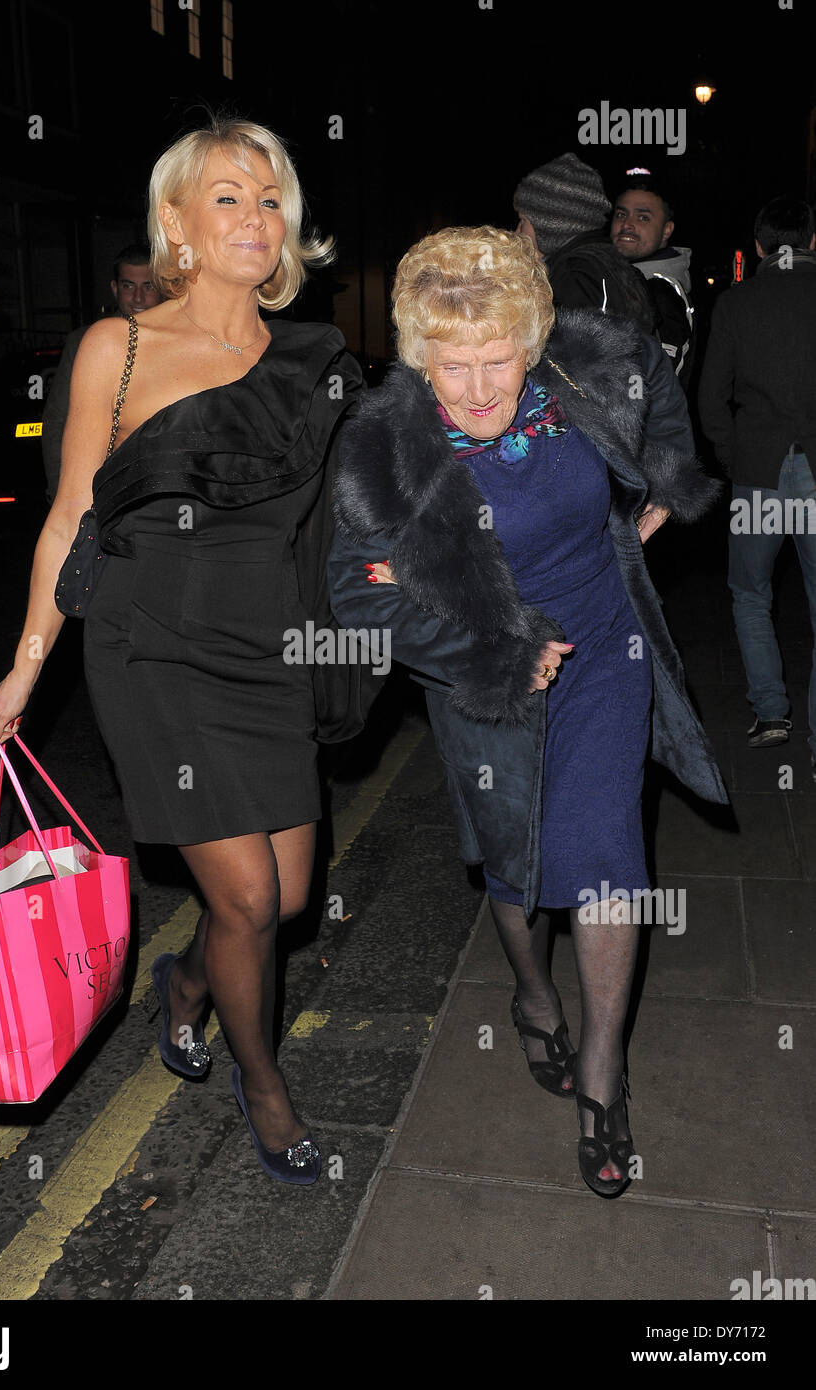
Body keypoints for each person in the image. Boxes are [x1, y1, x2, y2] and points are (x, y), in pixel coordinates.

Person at [0, 117, 368, 1185]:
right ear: (179, 226)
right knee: (245, 898)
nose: (254, 216)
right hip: (153, 649)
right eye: (228, 197)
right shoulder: (123, 345)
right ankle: (266, 1084)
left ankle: (187, 982)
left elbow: (355, 517)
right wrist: (26, 664)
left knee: (283, 899)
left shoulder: (312, 360)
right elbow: (68, 522)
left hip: (269, 646)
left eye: (270, 197)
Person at [328, 227, 727, 1197]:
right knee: (514, 852)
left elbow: (660, 390)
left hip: (603, 641)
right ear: (418, 357)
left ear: (533, 338)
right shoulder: (384, 444)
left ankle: (601, 1068)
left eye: (494, 361)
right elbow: (359, 595)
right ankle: (532, 988)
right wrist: (489, 646)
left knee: (602, 852)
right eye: (447, 366)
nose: (471, 388)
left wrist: (660, 499)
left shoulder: (591, 362)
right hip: (483, 667)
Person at [699, 196, 816, 767]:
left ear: (761, 247)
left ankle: (771, 712)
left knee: (750, 595)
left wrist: (733, 454)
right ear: (814, 241)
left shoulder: (737, 303)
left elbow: (710, 397)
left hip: (759, 474)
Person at [42, 244, 162, 505]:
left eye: (149, 286)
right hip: (102, 492)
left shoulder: (181, 344)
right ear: (115, 289)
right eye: (129, 286)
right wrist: (61, 495)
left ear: (162, 288)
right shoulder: (86, 342)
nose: (138, 298)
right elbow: (56, 423)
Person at [513, 152, 656, 333]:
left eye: (523, 221)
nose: (517, 231)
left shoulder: (574, 276)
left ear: (549, 225)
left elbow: (573, 356)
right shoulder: (606, 264)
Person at [610, 177, 695, 387]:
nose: (627, 224)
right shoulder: (613, 279)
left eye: (643, 218)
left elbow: (650, 384)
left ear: (667, 230)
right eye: (621, 214)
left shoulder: (661, 291)